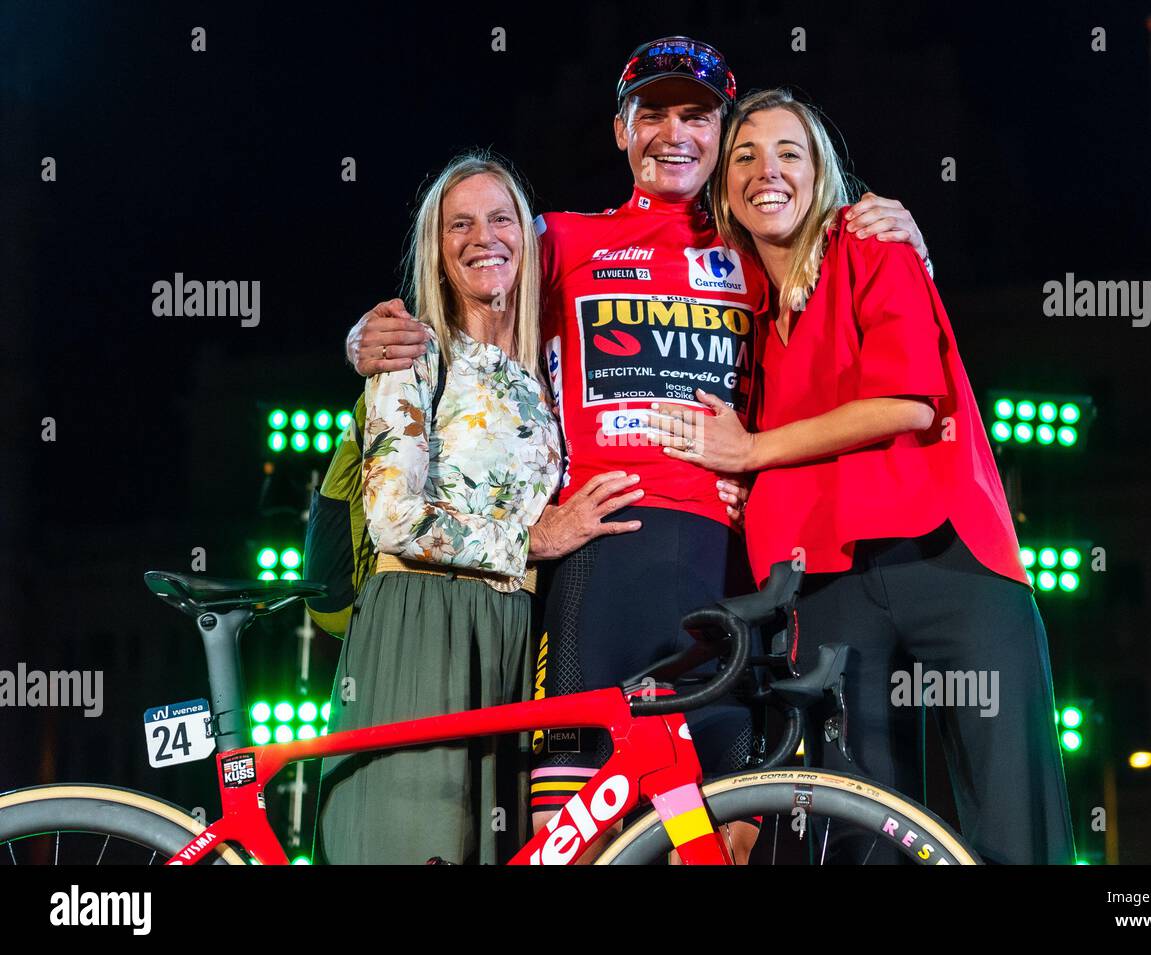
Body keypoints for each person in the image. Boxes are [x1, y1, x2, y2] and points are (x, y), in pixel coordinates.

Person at [344, 37, 928, 861]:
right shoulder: (558, 240)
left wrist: (903, 230)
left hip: (728, 569)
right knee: (569, 841)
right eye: (653, 114)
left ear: (722, 133)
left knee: (721, 839)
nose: (674, 133)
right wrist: (362, 337)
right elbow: (465, 278)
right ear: (622, 130)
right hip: (600, 568)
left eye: (697, 116)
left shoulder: (763, 252)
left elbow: (859, 315)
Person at [645, 88, 1076, 864]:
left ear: (821, 173)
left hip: (948, 557)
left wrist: (752, 451)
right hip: (825, 585)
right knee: (857, 829)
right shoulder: (734, 305)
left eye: (789, 153)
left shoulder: (870, 242)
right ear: (722, 186)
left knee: (1015, 820)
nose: (767, 170)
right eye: (745, 156)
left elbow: (905, 404)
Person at [314, 153, 639, 865]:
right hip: (422, 621)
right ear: (436, 248)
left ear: (527, 235)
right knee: (413, 844)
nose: (482, 237)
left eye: (499, 218)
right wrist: (532, 539)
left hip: (514, 635)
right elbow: (393, 515)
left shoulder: (549, 368)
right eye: (458, 224)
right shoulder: (415, 349)